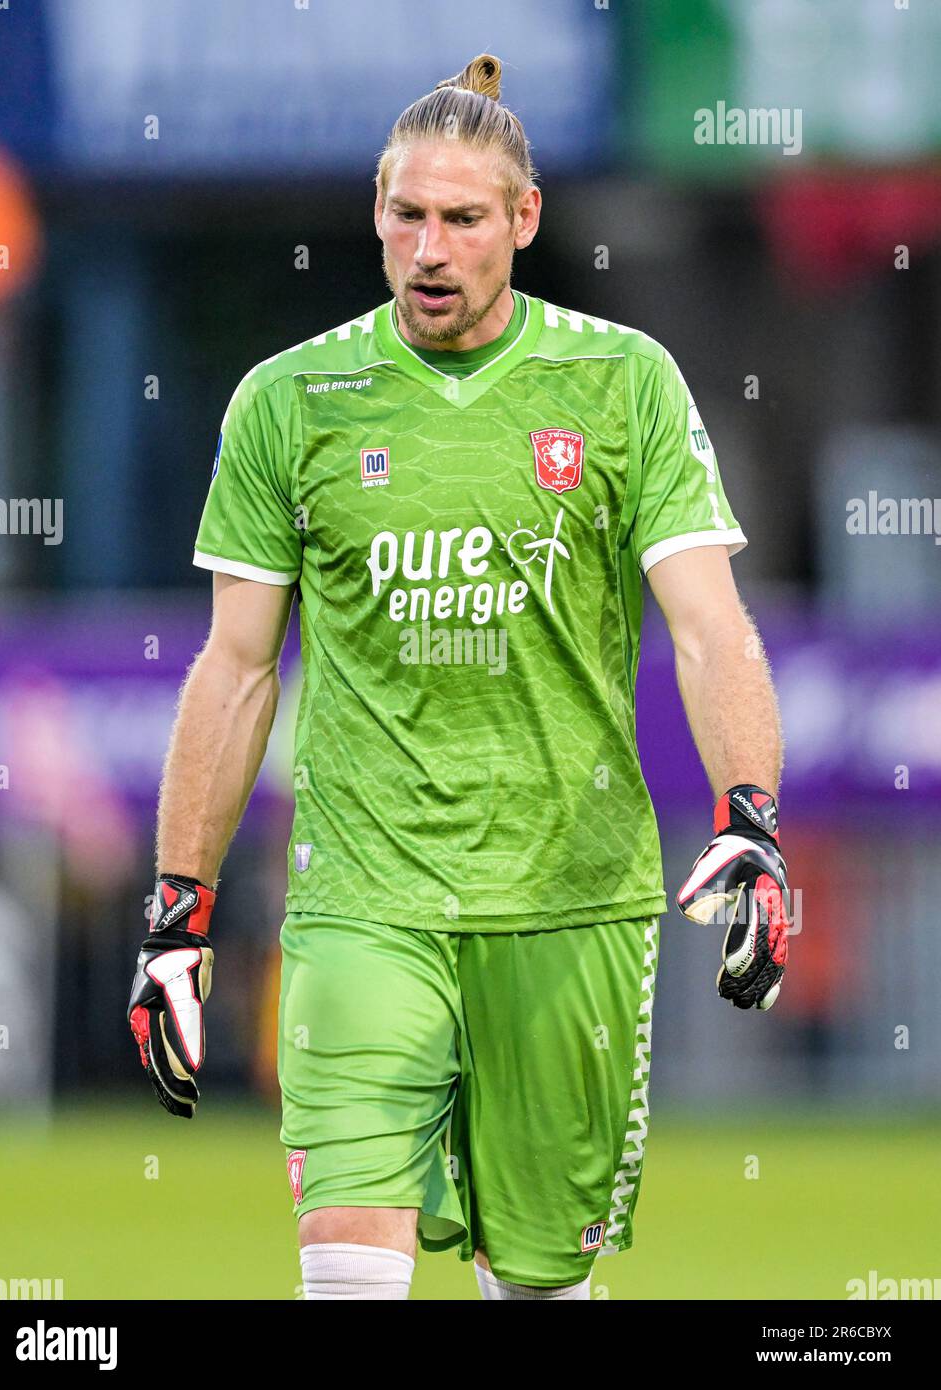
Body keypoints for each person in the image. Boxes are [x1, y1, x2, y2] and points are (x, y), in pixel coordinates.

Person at [127, 53, 791, 1302]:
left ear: (525, 222)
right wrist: (178, 913)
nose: (429, 249)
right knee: (347, 1275)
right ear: (376, 214)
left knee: (538, 1288)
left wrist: (751, 819)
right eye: (406, 215)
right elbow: (231, 668)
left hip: (571, 899)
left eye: (464, 219)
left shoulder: (622, 382)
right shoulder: (291, 401)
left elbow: (710, 626)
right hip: (361, 899)